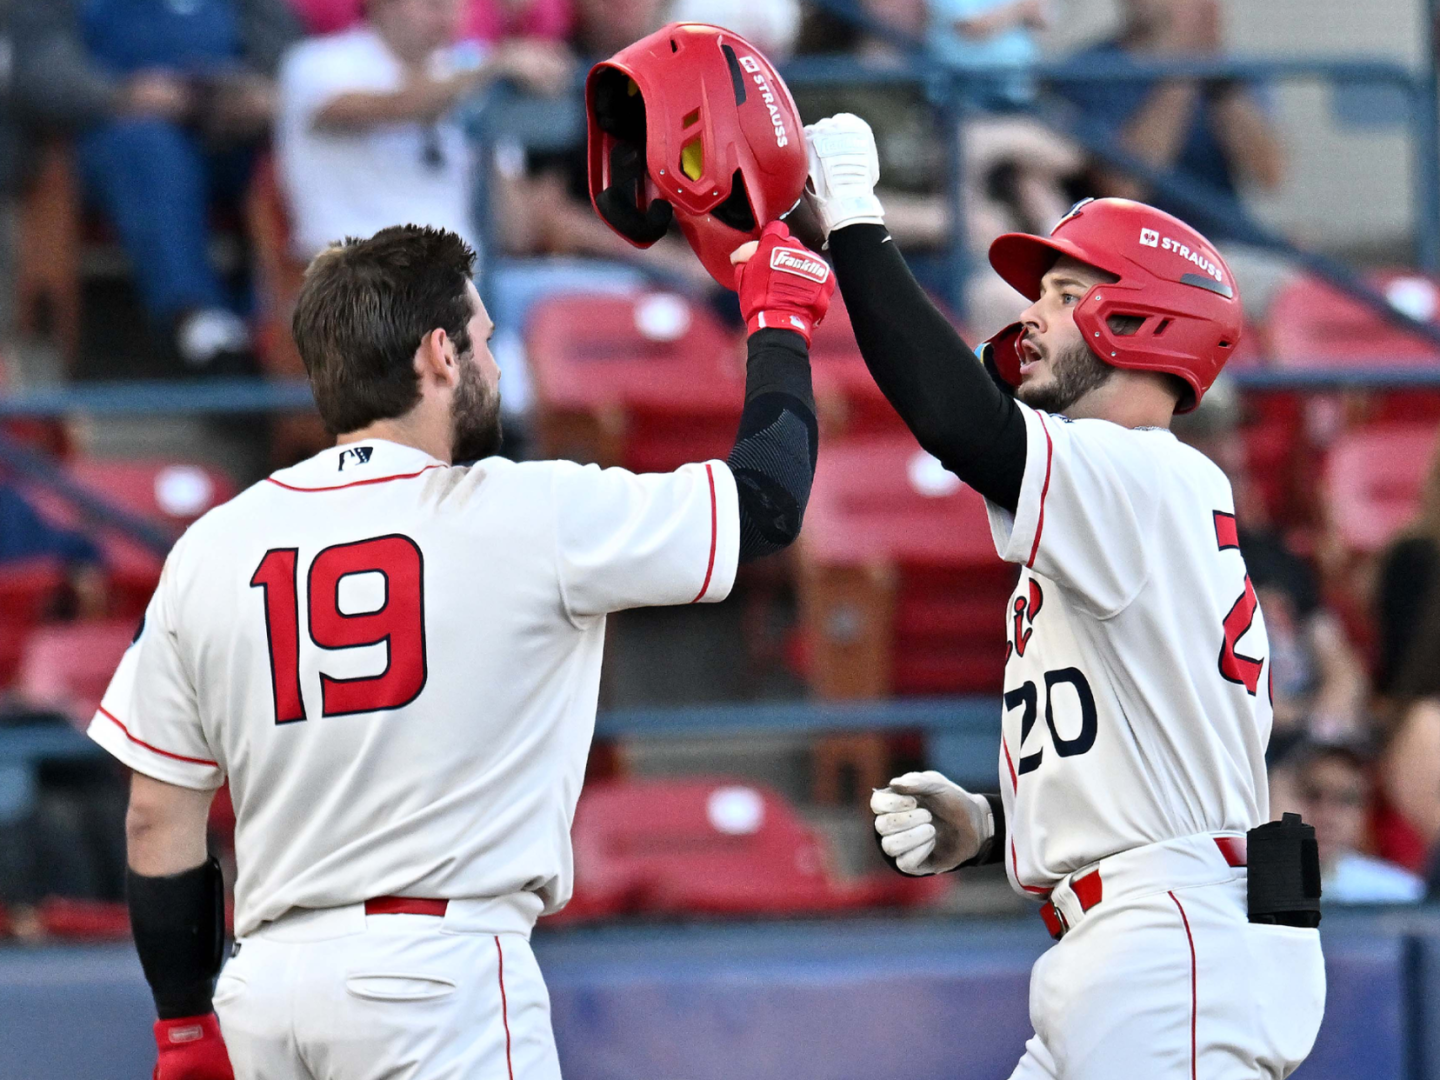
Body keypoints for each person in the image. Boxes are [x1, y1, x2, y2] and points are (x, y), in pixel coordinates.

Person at [85, 219, 833, 1077]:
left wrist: (184, 1024)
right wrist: (779, 324)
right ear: (439, 355)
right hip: (438, 976)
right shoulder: (523, 508)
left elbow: (157, 814)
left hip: (265, 994)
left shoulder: (211, 546)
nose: (497, 364)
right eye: (482, 340)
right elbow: (767, 501)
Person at [801, 115, 1324, 1075]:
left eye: (1068, 292)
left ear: (1144, 322)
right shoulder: (1132, 493)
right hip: (1138, 934)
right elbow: (1146, 753)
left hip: (1172, 946)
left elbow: (961, 422)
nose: (1031, 316)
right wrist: (999, 821)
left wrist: (858, 226)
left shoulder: (1139, 473)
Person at [275, 0, 571, 261]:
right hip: (355, 276)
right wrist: (489, 71)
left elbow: (515, 236)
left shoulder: (473, 74)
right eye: (431, 2)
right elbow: (391, 105)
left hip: (459, 281)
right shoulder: (318, 64)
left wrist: (494, 132)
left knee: (575, 296)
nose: (447, 13)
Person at [1053, 0, 1283, 226]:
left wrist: (1215, 72)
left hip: (1221, 245)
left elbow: (1270, 175)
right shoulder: (1086, 71)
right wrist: (1183, 68)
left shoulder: (1232, 70)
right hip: (1131, 243)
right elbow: (1124, 188)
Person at [1291, 740, 1423, 904]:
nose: (1326, 816)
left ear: (1364, 812)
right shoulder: (1254, 888)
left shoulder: (1398, 895)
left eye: (1347, 800)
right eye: (1313, 796)